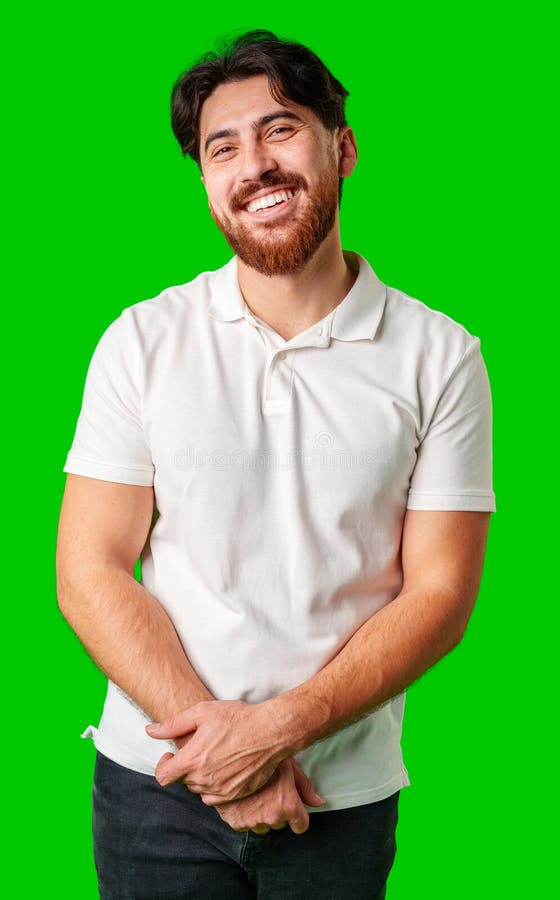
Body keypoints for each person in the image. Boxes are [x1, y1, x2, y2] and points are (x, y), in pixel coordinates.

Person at [56, 29, 496, 899]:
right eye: (223, 148)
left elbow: (441, 594)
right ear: (209, 181)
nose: (254, 164)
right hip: (157, 789)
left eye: (280, 130)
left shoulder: (441, 357)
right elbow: (88, 570)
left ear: (343, 147)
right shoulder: (142, 341)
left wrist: (281, 730)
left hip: (338, 795)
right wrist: (220, 752)